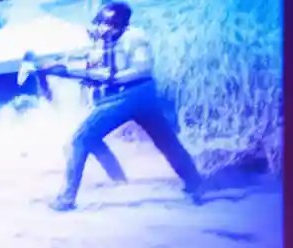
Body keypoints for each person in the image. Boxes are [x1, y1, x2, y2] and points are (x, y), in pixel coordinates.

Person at [40, 1, 204, 211]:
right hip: (140, 96)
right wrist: (63, 69)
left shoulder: (134, 37)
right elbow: (93, 67)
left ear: (124, 24)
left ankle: (66, 200)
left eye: (112, 24)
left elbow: (142, 69)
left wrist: (107, 77)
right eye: (103, 23)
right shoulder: (106, 41)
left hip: (129, 96)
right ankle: (188, 183)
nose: (105, 28)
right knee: (165, 142)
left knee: (80, 140)